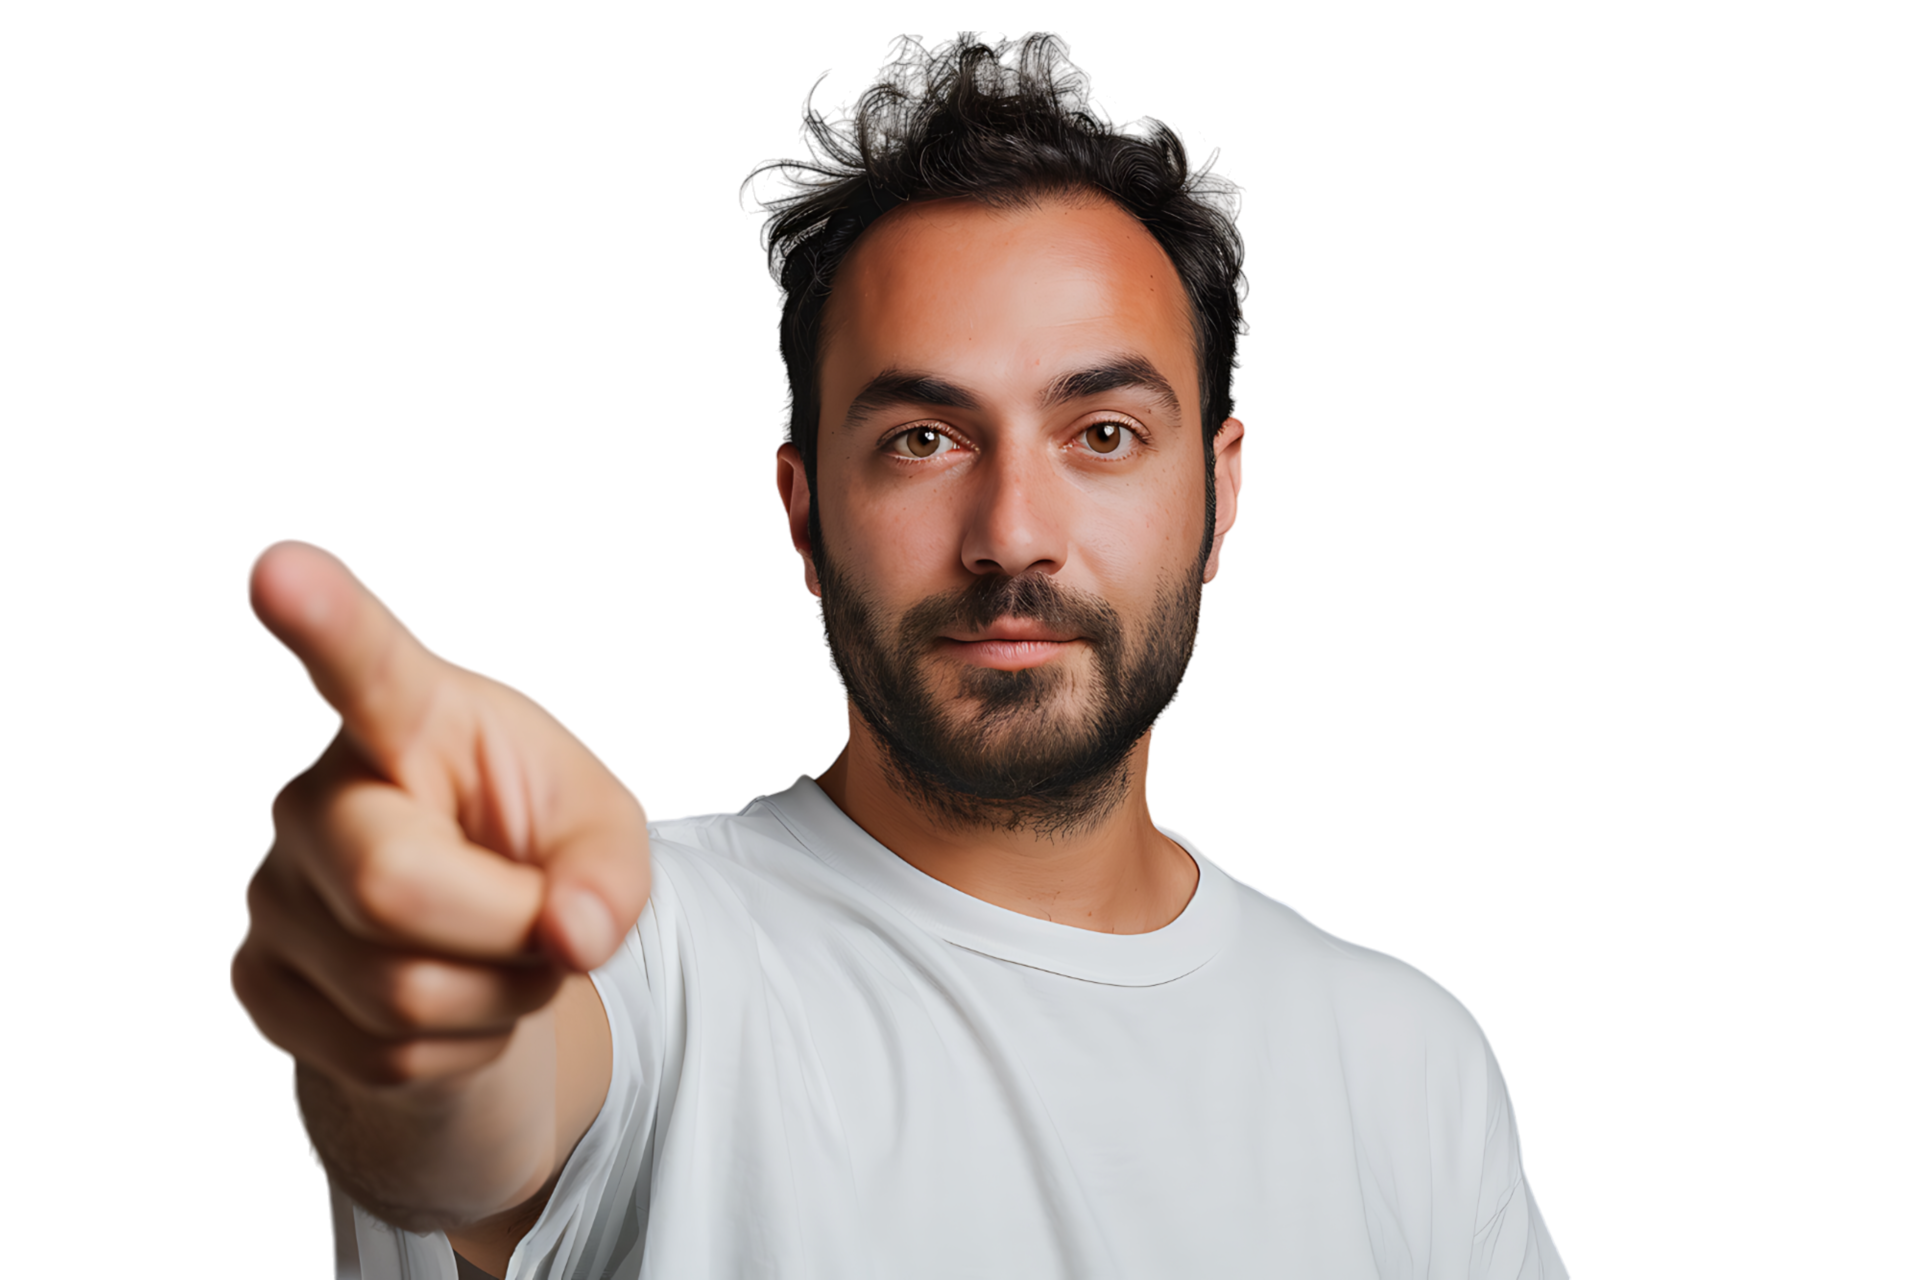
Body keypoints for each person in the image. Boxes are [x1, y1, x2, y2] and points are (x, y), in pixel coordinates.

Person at [229, 29, 1570, 1280]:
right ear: (804, 520)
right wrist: (415, 1012)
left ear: (1221, 498)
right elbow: (466, 1120)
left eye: (1102, 433)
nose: (1011, 535)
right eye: (923, 439)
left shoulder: (1408, 1062)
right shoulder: (650, 954)